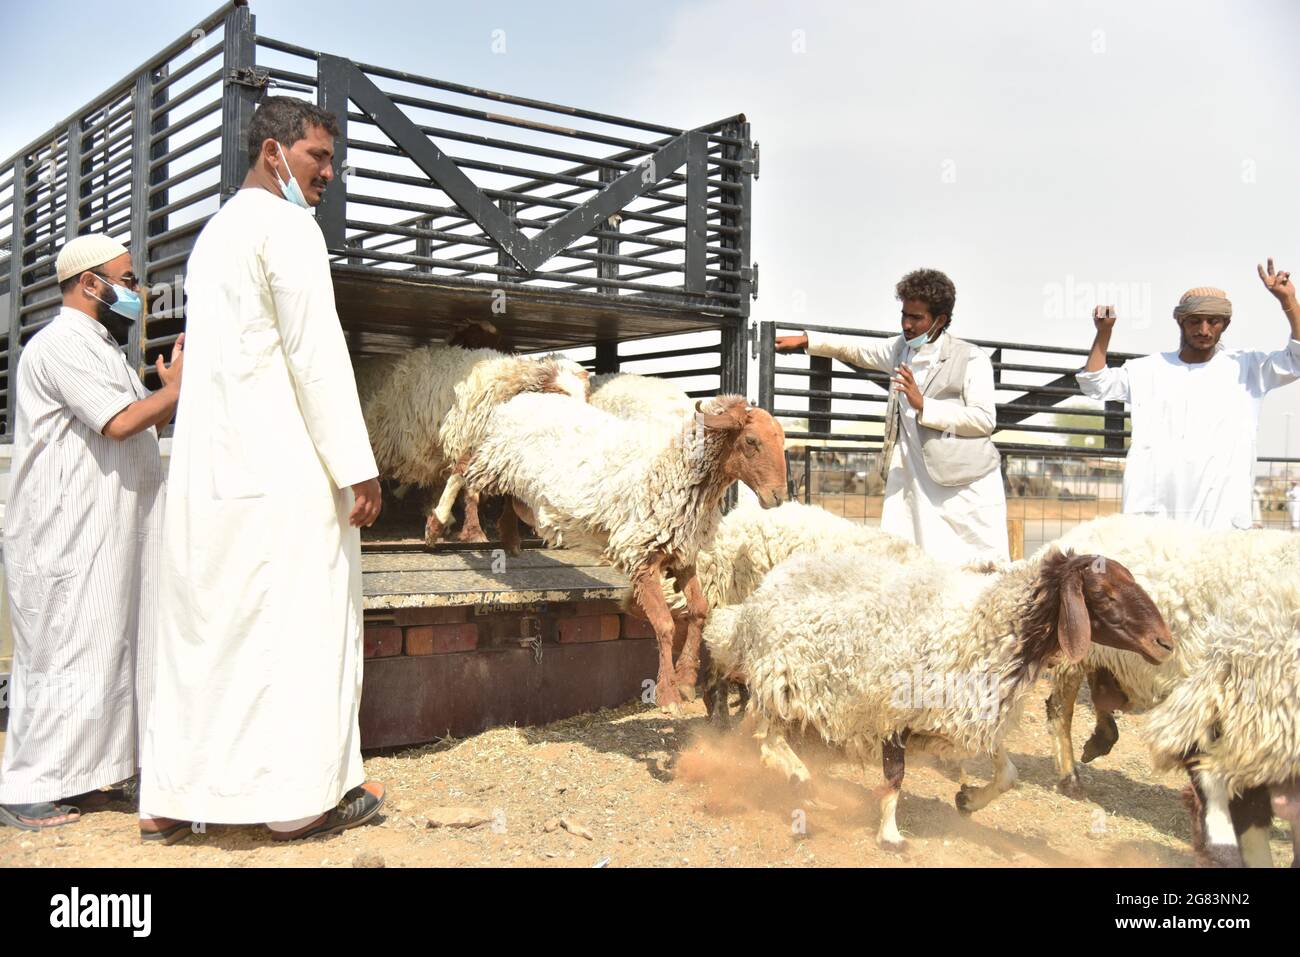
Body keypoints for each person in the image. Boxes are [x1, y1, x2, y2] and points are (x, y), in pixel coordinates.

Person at [139, 96, 384, 843]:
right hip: (281, 467)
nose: (329, 174)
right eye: (319, 157)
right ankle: (295, 803)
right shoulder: (289, 229)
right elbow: (316, 355)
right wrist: (356, 464)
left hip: (210, 470)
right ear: (274, 150)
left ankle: (172, 797)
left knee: (204, 630)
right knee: (300, 622)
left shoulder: (213, 235)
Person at [0, 234, 182, 830]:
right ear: (89, 284)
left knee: (106, 653)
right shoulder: (60, 344)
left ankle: (84, 777)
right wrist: (175, 391)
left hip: (102, 534)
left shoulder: (101, 347)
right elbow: (121, 422)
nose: (138, 293)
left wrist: (163, 391)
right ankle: (25, 786)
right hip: (65, 536)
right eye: (127, 281)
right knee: (61, 658)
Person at [775, 268, 1009, 563]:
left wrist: (924, 404)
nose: (907, 325)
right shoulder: (901, 350)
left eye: (917, 318)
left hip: (963, 489)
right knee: (915, 566)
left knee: (977, 569)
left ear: (940, 320)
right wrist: (807, 341)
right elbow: (857, 349)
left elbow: (984, 420)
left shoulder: (972, 359)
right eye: (904, 315)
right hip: (915, 484)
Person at [1078, 260, 1300, 530]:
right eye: (1195, 320)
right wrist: (1104, 333)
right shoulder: (1148, 369)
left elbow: (1296, 360)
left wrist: (1289, 301)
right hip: (1156, 513)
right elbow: (1094, 383)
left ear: (1225, 325)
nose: (1204, 330)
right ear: (1181, 322)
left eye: (1213, 321)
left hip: (1220, 516)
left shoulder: (1248, 368)